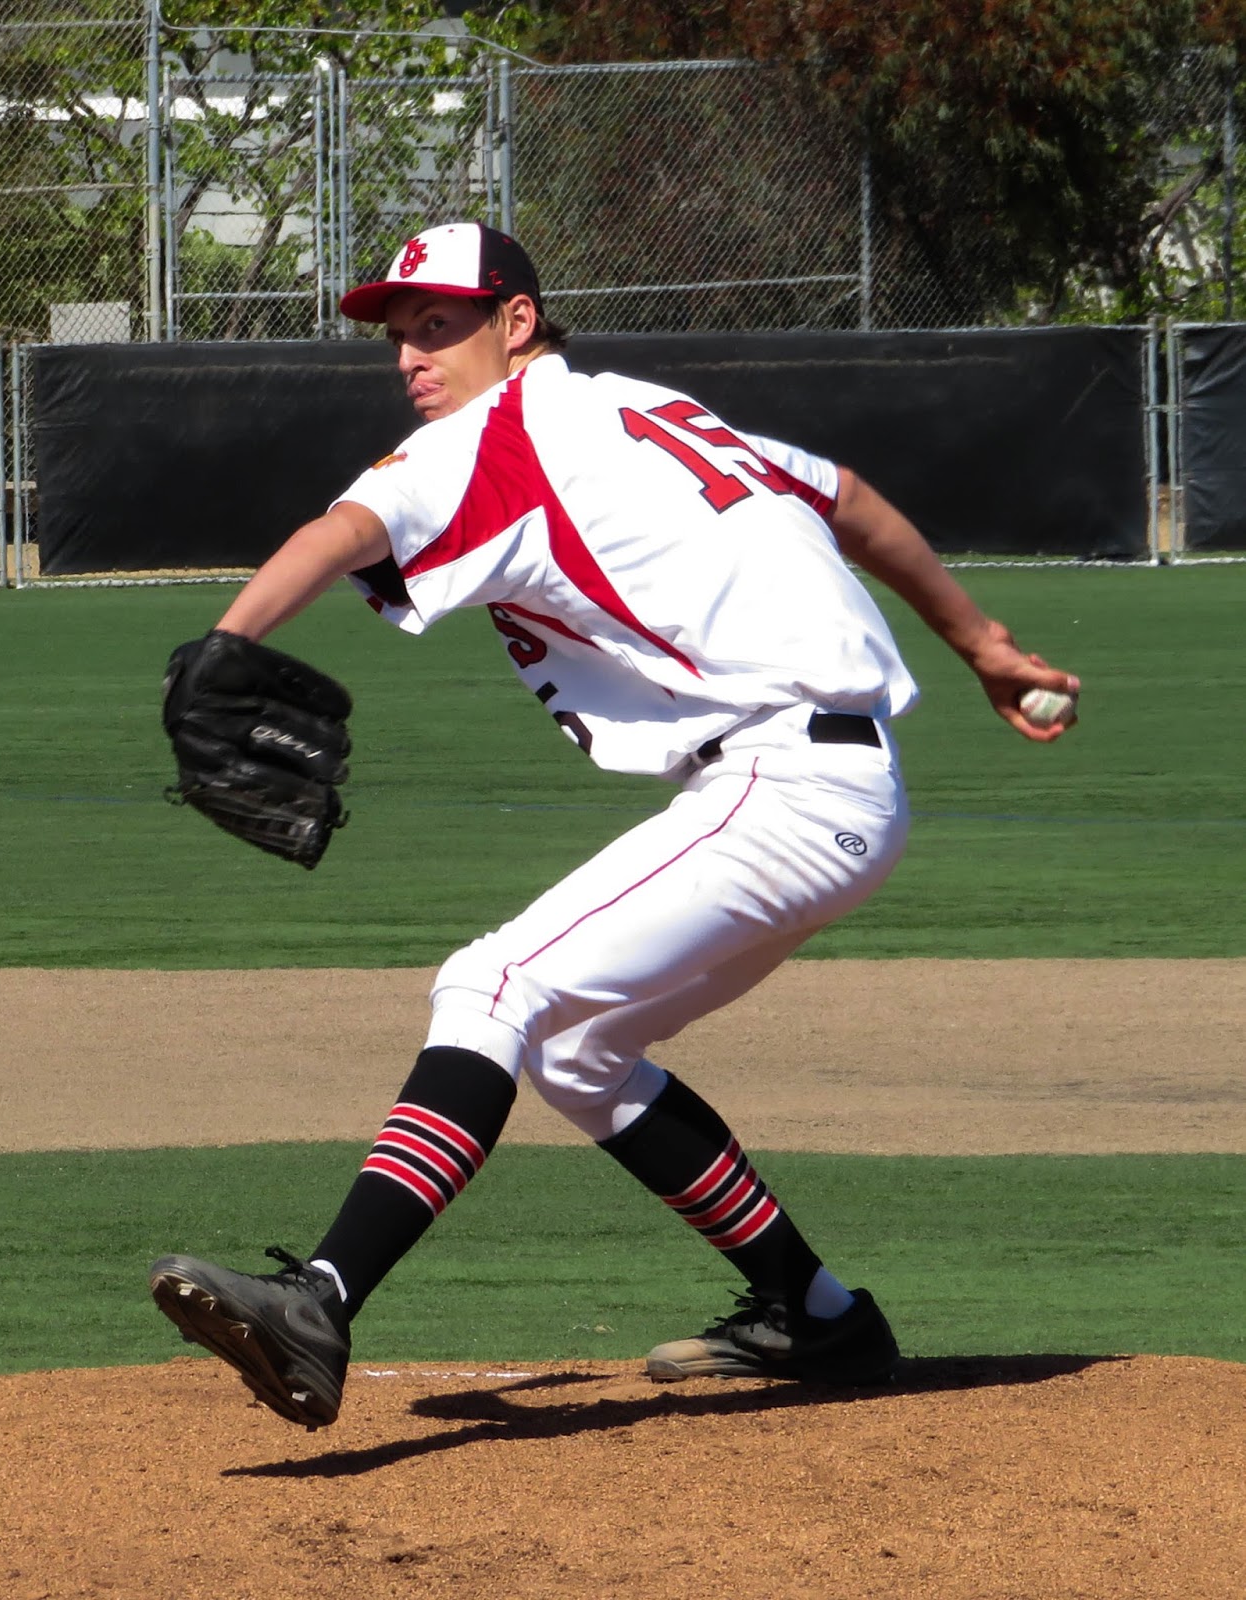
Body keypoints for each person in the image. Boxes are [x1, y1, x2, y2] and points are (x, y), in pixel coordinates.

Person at [148, 221, 1079, 1430]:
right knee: (580, 1055)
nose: (409, 355)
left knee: (489, 986)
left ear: (516, 323)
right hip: (836, 789)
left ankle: (320, 1298)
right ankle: (818, 1311)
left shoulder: (488, 437)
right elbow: (841, 496)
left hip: (779, 787)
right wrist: (981, 644)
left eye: (437, 322)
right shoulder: (648, 409)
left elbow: (343, 532)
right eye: (397, 332)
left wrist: (230, 642)